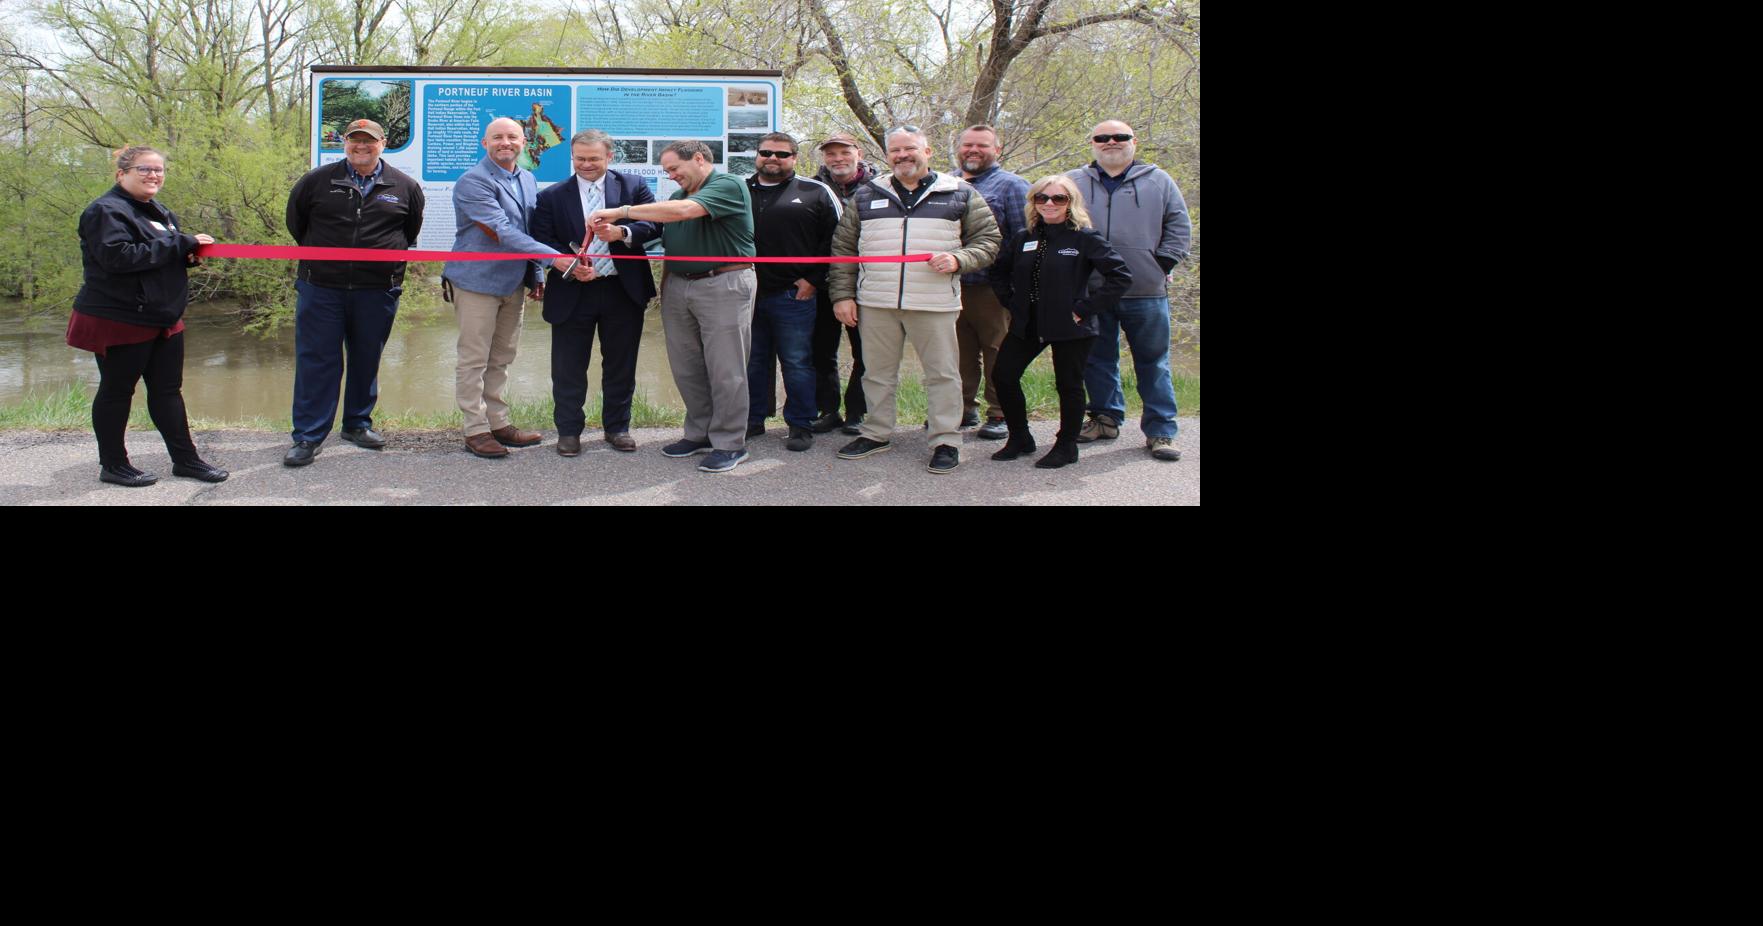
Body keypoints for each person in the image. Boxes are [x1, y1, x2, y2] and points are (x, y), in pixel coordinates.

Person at [827, 125, 1001, 474]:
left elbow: (989, 241)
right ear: (887, 155)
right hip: (877, 301)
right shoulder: (866, 195)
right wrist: (843, 295)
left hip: (934, 302)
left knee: (942, 374)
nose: (903, 156)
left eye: (910, 149)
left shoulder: (959, 193)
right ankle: (876, 432)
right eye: (896, 151)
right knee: (876, 373)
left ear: (928, 151)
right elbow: (843, 249)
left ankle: (946, 440)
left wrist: (959, 260)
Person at [589, 140, 756, 474]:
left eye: (674, 169)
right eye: (666, 172)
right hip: (680, 285)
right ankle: (699, 433)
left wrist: (622, 210)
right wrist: (620, 232)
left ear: (698, 158)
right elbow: (661, 237)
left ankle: (729, 443)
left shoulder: (728, 184)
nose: (671, 176)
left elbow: (684, 213)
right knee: (686, 367)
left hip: (723, 283)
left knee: (726, 368)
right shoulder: (678, 197)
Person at [66, 145, 228, 487]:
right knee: (116, 391)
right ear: (122, 173)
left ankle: (186, 460)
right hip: (120, 316)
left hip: (162, 316)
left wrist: (187, 256)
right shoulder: (105, 211)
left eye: (159, 170)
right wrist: (180, 244)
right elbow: (117, 258)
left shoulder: (159, 211)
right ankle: (113, 464)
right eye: (144, 169)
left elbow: (159, 254)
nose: (153, 175)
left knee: (168, 390)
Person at [282, 118, 425, 467]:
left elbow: (409, 231)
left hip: (377, 290)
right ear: (343, 142)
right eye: (354, 141)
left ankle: (357, 424)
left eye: (369, 141)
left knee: (366, 358)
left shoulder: (404, 186)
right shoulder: (317, 181)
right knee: (317, 361)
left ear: (383, 143)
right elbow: (296, 224)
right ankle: (308, 435)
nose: (361, 147)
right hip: (322, 288)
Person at [442, 116, 568, 459]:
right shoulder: (473, 182)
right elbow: (502, 231)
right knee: (473, 359)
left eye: (512, 137)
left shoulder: (527, 178)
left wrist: (536, 274)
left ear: (523, 142)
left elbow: (528, 231)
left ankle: (498, 422)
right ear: (485, 143)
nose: (505, 143)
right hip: (476, 282)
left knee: (501, 358)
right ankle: (475, 430)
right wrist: (555, 260)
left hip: (513, 282)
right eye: (497, 137)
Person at [1066, 119, 1192, 462]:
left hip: (1145, 291)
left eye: (1119, 137)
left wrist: (1161, 263)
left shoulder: (1158, 180)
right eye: (1102, 138)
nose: (1111, 142)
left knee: (1153, 362)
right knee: (1098, 359)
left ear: (1133, 142)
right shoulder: (1073, 182)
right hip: (1092, 292)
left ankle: (1161, 430)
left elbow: (1179, 225)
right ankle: (1105, 419)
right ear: (1091, 143)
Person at [531, 129, 660, 457]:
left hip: (623, 289)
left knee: (621, 364)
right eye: (580, 158)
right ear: (572, 157)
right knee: (568, 366)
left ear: (609, 157)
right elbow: (542, 240)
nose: (586, 164)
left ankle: (617, 427)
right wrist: (570, 266)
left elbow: (655, 224)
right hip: (573, 290)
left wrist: (623, 231)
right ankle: (569, 431)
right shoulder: (551, 196)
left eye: (594, 158)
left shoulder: (633, 186)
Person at [988, 175, 1131, 468]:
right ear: (1034, 203)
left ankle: (1066, 446)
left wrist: (1086, 307)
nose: (1049, 204)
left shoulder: (1085, 237)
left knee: (1069, 385)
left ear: (1071, 202)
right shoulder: (1023, 236)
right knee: (1003, 375)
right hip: (1027, 322)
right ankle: (1019, 437)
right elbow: (998, 272)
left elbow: (1120, 277)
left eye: (1058, 198)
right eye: (1042, 198)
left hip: (1072, 325)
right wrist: (1011, 302)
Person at [744, 133, 842, 452]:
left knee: (797, 361)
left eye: (782, 154)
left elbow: (836, 241)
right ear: (757, 155)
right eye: (766, 152)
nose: (772, 158)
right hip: (746, 293)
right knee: (753, 361)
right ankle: (754, 418)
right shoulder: (738, 190)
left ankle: (800, 423)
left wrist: (813, 279)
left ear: (794, 158)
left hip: (794, 295)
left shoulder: (815, 191)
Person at [953, 124, 1030, 441]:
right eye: (968, 145)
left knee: (997, 350)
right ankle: (961, 409)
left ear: (996, 149)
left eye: (982, 145)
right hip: (951, 285)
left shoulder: (1012, 186)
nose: (973, 150)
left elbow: (1025, 238)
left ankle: (999, 412)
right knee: (958, 353)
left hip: (992, 288)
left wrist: (1016, 286)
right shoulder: (947, 183)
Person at [810, 131, 879, 435]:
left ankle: (857, 411)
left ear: (858, 152)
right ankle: (828, 410)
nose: (837, 159)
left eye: (844, 152)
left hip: (866, 283)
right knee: (821, 350)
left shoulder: (880, 188)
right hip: (823, 283)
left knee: (865, 351)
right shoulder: (811, 188)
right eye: (831, 154)